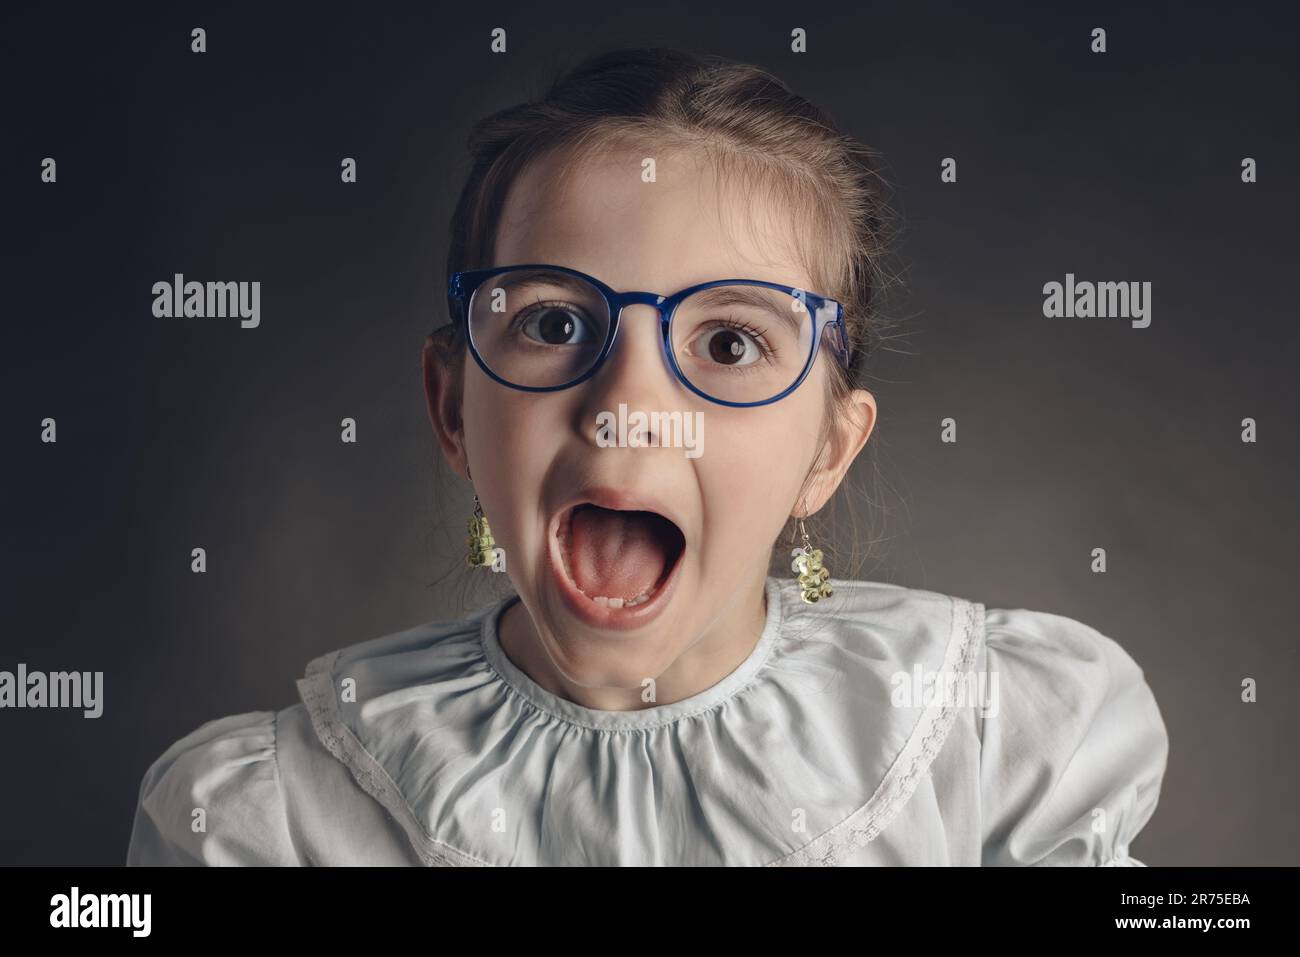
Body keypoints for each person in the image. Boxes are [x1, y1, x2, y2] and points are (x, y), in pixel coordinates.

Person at [126, 47, 1168, 866]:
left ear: (826, 451)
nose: (627, 409)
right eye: (554, 324)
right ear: (452, 407)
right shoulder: (271, 821)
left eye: (728, 343)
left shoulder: (991, 746)